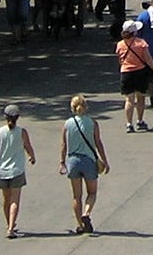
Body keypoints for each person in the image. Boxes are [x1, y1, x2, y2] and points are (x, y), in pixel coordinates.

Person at [59, 94, 109, 235]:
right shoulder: (92, 123)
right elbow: (98, 143)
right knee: (92, 192)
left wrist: (62, 162)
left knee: (76, 196)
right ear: (86, 107)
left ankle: (80, 225)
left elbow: (64, 144)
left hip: (73, 161)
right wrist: (105, 160)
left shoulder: (67, 124)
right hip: (88, 161)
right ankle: (86, 213)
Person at [0, 104, 36, 239]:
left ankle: (9, 224)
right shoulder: (22, 132)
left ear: (5, 117)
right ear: (18, 117)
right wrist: (32, 157)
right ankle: (11, 227)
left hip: (2, 171)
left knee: (6, 200)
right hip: (17, 170)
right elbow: (28, 146)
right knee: (15, 200)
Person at [115, 19, 153, 132]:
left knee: (129, 99)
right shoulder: (141, 43)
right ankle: (140, 121)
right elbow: (148, 58)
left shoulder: (120, 44)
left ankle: (129, 123)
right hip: (140, 72)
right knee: (140, 97)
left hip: (126, 72)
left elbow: (120, 59)